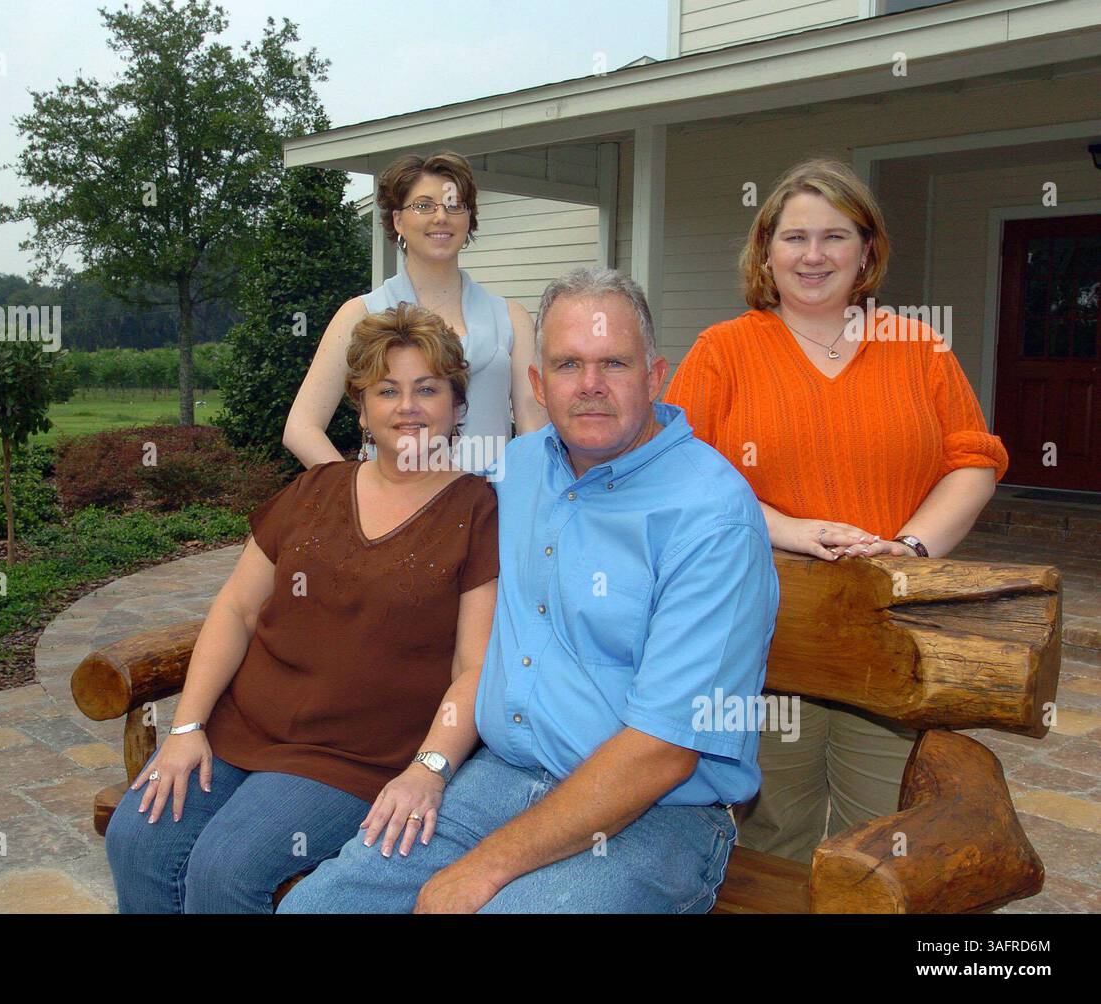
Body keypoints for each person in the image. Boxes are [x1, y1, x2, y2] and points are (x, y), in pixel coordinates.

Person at [278, 267, 779, 914]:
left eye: (614, 364)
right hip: (497, 780)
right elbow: (412, 538)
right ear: (538, 385)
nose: (591, 386)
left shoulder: (711, 516)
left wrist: (480, 872)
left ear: (655, 378)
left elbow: (662, 753)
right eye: (568, 364)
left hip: (653, 815)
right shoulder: (512, 472)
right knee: (313, 909)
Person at [662, 158, 1008, 865]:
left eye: (834, 237)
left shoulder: (920, 348)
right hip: (765, 627)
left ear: (867, 250)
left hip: (891, 626)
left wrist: (910, 548)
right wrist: (789, 531)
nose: (812, 255)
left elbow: (972, 459)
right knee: (772, 831)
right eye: (793, 238)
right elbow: (680, 479)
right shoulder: (723, 352)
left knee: (885, 834)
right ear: (765, 251)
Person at [105, 303, 500, 912]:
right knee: (136, 839)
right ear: (362, 408)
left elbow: (474, 668)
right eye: (386, 390)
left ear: (456, 405)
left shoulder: (477, 511)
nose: (408, 407)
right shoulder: (314, 489)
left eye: (428, 389)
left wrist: (430, 767)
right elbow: (235, 609)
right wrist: (186, 727)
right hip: (243, 727)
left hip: (354, 758)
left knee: (225, 869)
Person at [283, 151, 548, 473]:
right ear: (397, 220)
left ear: (469, 219)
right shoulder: (361, 314)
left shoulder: (511, 318)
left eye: (454, 205)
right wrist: (355, 495)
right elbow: (301, 427)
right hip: (394, 514)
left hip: (489, 509)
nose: (441, 217)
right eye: (423, 205)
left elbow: (535, 427)